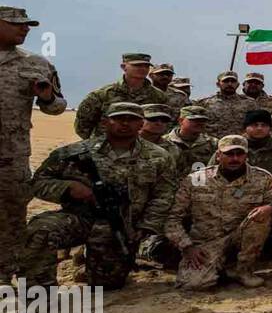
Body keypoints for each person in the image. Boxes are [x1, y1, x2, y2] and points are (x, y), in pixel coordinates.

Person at [26, 102, 175, 288]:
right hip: (79, 218)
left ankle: (86, 260)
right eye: (119, 119)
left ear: (141, 124)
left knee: (106, 284)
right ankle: (40, 291)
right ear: (105, 122)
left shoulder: (159, 157)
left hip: (120, 226)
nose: (125, 124)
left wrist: (144, 228)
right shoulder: (74, 152)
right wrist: (68, 187)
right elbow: (38, 183)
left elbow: (163, 195)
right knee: (41, 229)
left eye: (132, 119)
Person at [0, 5, 66, 280]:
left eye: (28, 24)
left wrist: (48, 96)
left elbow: (57, 107)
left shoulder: (36, 64)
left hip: (10, 159)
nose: (24, 28)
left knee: (11, 219)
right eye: (16, 23)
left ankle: (4, 276)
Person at [167, 135, 272, 290]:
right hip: (207, 241)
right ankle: (224, 268)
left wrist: (271, 208)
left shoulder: (262, 178)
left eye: (239, 154)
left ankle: (244, 270)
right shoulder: (197, 179)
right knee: (193, 284)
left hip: (242, 238)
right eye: (229, 154)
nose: (235, 158)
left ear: (246, 155)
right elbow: (172, 218)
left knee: (260, 217)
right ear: (218, 155)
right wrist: (187, 247)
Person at [74, 52, 169, 138]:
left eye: (146, 66)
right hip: (106, 149)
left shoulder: (158, 96)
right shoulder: (102, 94)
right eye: (137, 65)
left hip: (145, 150)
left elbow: (165, 123)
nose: (143, 69)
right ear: (124, 67)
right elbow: (82, 126)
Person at [197, 70, 256, 138]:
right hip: (213, 145)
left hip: (240, 143)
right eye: (226, 81)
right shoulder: (204, 103)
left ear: (237, 85)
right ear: (218, 84)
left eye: (233, 81)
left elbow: (255, 125)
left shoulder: (249, 103)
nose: (230, 84)